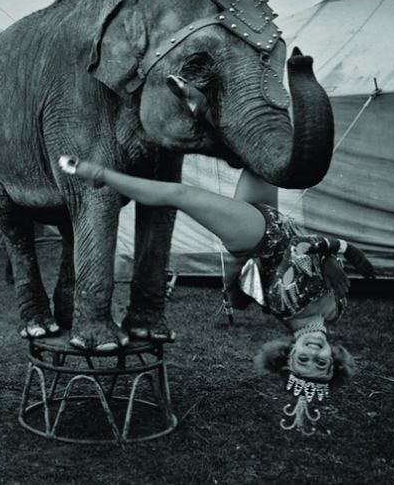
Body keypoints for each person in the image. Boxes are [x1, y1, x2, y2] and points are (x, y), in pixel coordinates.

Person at [58, 153, 375, 434]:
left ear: (289, 354)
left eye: (302, 360)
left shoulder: (289, 304)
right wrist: (328, 260)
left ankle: (98, 175)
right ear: (333, 361)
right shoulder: (333, 313)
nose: (313, 353)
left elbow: (301, 247)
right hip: (272, 217)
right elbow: (298, 255)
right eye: (320, 363)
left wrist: (342, 251)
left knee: (179, 194)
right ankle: (200, 104)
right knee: (263, 153)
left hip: (255, 233)